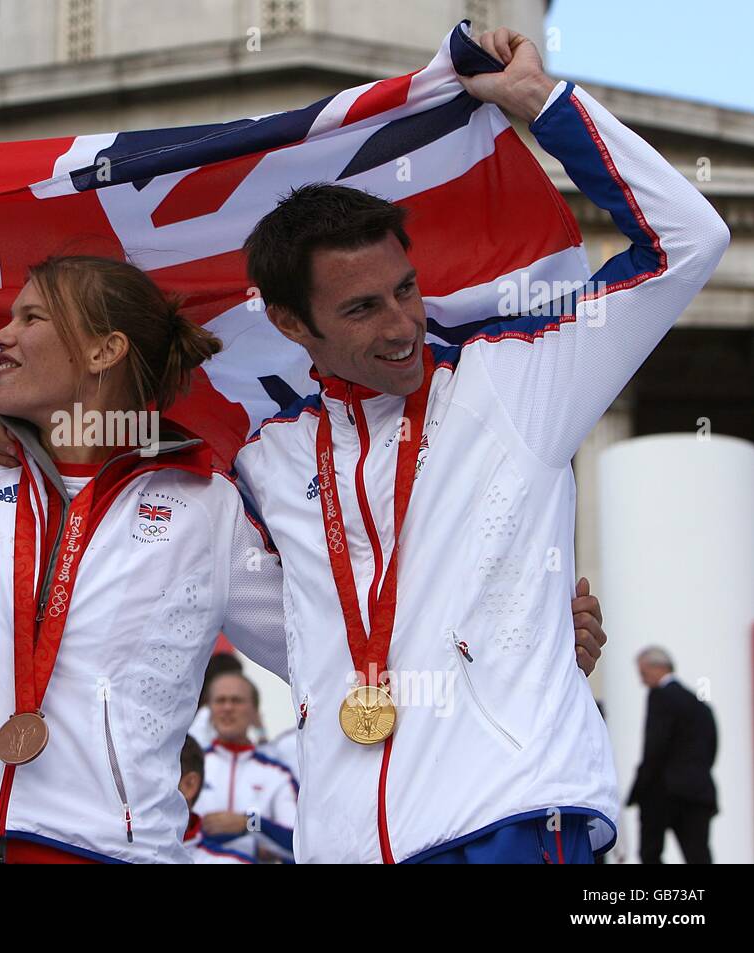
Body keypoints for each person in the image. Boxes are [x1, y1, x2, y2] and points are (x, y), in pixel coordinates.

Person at [233, 26, 728, 863]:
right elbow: (283, 624)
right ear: (288, 323)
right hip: (344, 843)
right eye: (361, 310)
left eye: (406, 290)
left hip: (507, 818)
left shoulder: (516, 379)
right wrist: (496, 629)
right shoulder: (265, 458)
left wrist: (541, 102)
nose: (401, 328)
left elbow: (688, 241)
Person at [0, 255, 291, 863]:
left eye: (30, 317)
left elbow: (318, 654)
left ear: (103, 351)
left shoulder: (208, 507)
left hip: (106, 850)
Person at [194, 671, 297, 862]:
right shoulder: (191, 769)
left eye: (236, 701)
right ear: (210, 710)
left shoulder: (278, 774)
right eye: (220, 701)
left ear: (254, 712)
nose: (227, 708)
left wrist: (249, 822)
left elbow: (299, 841)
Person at [627, 647, 718, 864]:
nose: (642, 681)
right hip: (698, 793)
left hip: (662, 793)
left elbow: (654, 747)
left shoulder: (659, 696)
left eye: (643, 673)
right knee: (699, 856)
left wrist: (639, 788)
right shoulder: (700, 705)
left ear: (658, 667)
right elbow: (711, 748)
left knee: (650, 854)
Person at [179, 735, 253, 864]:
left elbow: (297, 839)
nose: (226, 712)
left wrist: (250, 822)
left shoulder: (277, 769)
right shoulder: (200, 756)